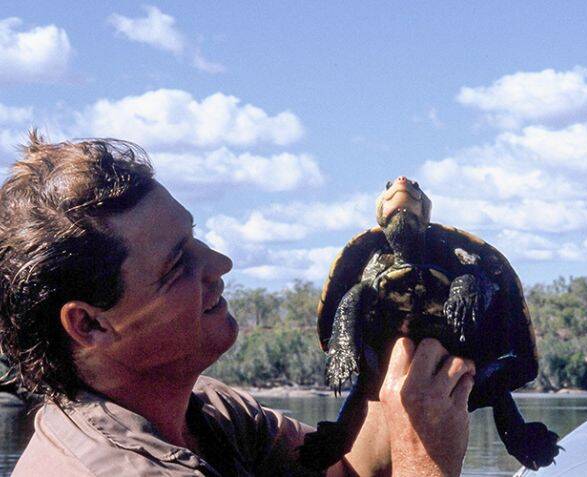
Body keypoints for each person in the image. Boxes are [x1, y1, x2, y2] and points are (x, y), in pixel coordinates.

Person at [0, 132, 475, 477]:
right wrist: (425, 463)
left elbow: (348, 472)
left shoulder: (209, 413)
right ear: (90, 324)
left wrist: (401, 341)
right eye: (175, 264)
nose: (220, 263)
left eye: (194, 237)